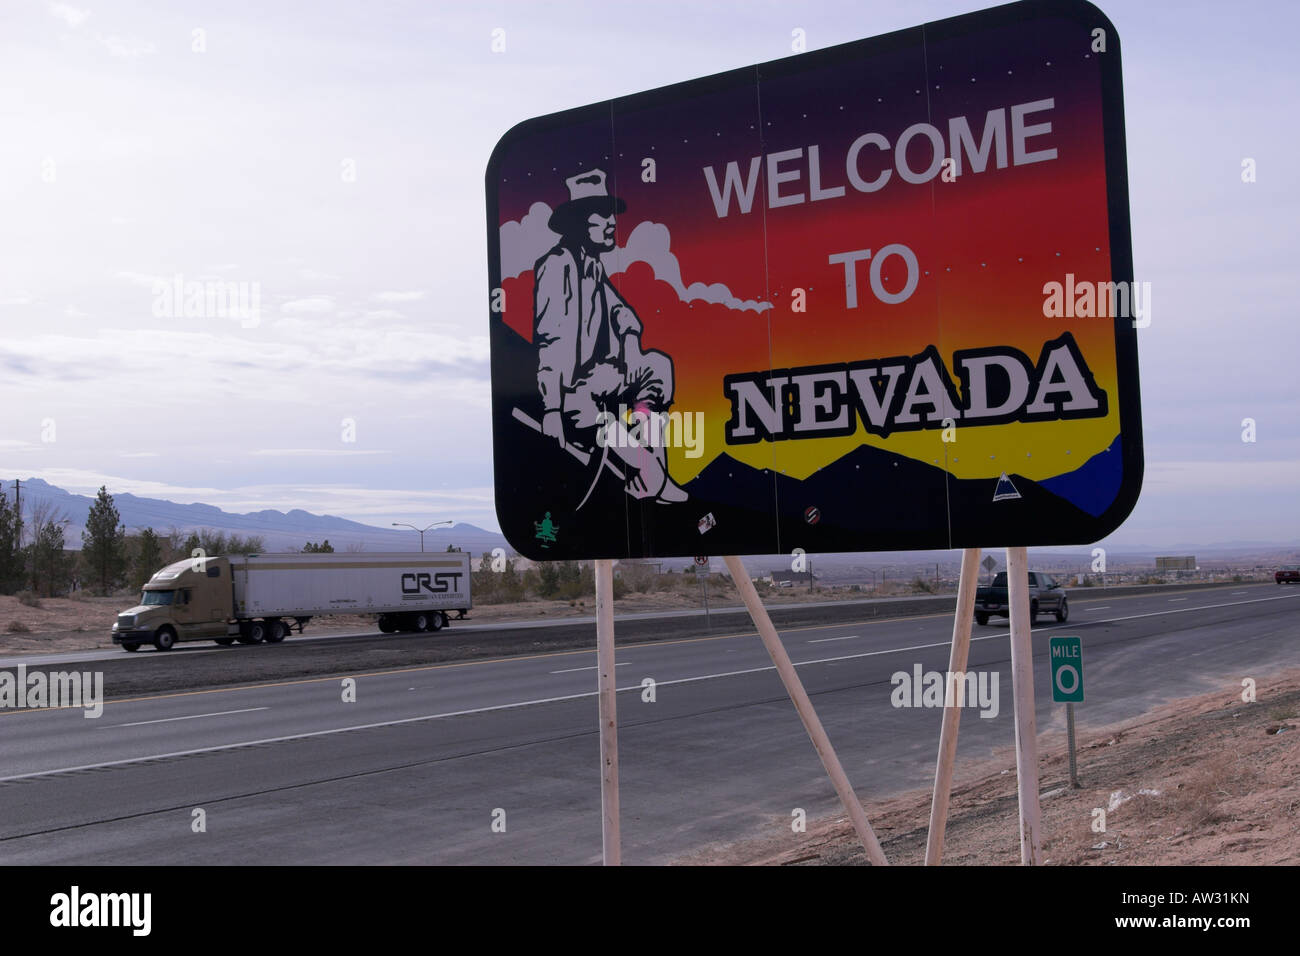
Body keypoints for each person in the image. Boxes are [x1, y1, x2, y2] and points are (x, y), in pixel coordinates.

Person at [533, 168, 687, 503]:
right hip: (571, 389)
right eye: (601, 216)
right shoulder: (557, 266)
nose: (611, 223)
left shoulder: (594, 267)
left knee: (657, 366)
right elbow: (549, 342)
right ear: (579, 224)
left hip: (599, 375)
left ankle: (652, 467)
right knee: (593, 413)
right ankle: (653, 474)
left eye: (611, 216)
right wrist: (551, 410)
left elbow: (622, 312)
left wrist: (631, 343)